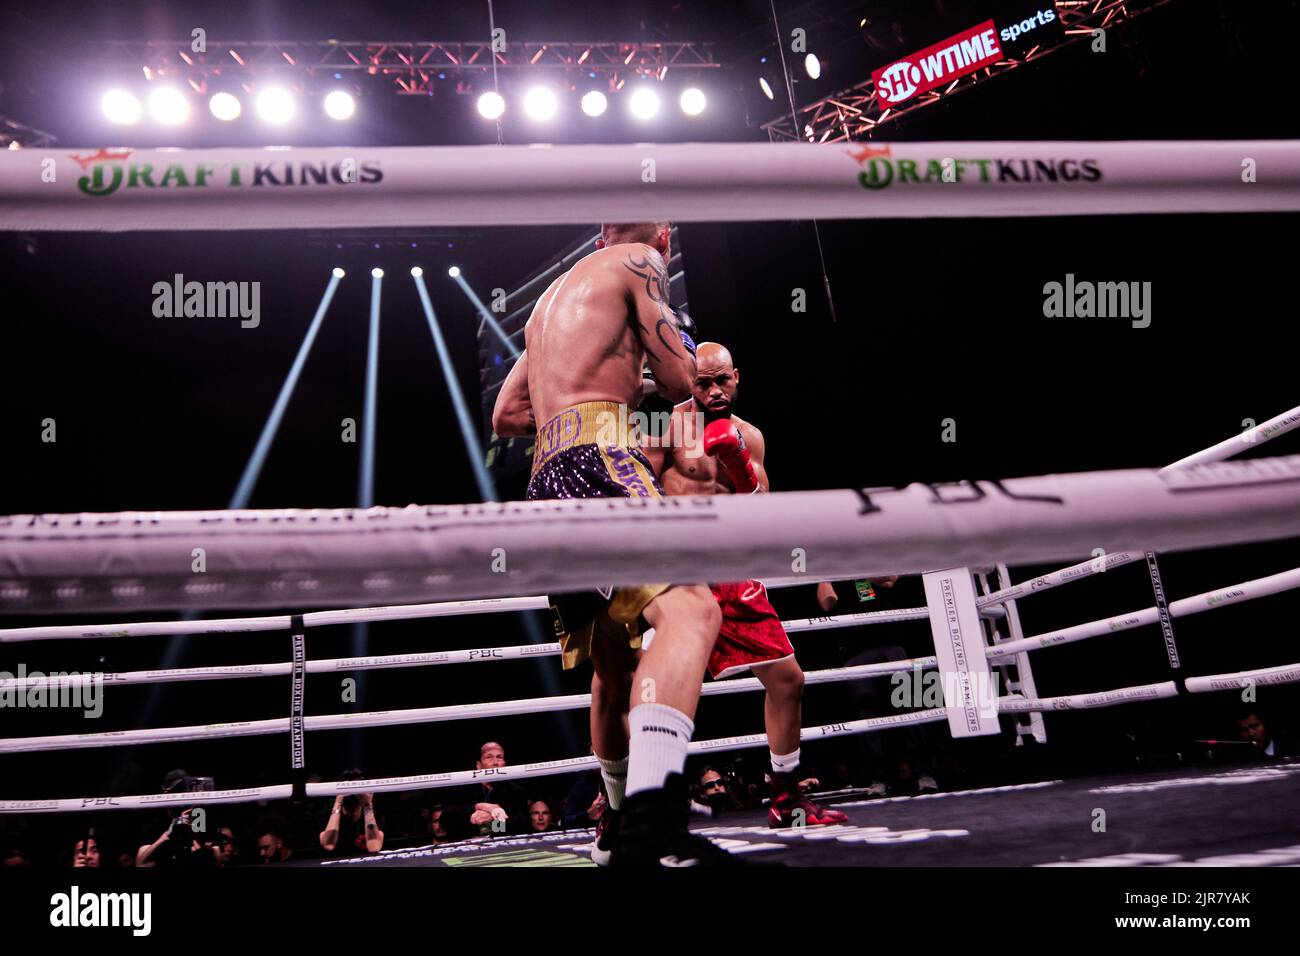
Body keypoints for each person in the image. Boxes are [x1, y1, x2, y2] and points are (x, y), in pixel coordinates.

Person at [492, 220, 728, 867]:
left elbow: (506, 416)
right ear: (664, 235)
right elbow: (684, 381)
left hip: (547, 475)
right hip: (602, 453)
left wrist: (592, 385)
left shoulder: (547, 307)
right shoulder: (639, 262)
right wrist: (630, 391)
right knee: (692, 612)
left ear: (598, 235)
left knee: (612, 672)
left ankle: (618, 827)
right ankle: (656, 826)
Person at [644, 342, 848, 829]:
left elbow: (764, 514)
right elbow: (638, 494)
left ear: (737, 377)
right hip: (681, 575)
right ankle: (637, 805)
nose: (714, 391)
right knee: (650, 689)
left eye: (722, 381)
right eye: (702, 383)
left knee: (788, 681)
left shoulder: (751, 437)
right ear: (687, 383)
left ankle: (785, 797)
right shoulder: (662, 425)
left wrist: (737, 465)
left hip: (736, 572)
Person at [438, 741, 531, 839]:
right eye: (489, 757)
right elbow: (445, 822)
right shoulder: (462, 788)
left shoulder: (515, 791)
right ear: (479, 765)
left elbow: (524, 825)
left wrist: (493, 819)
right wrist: (478, 807)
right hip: (466, 847)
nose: (495, 762)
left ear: (504, 764)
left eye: (499, 757)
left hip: (502, 847)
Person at [320, 769, 385, 856]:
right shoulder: (326, 816)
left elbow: (374, 847)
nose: (352, 794)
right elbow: (328, 845)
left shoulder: (376, 816)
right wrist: (337, 803)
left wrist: (367, 807)